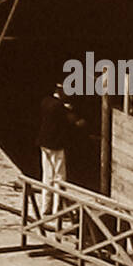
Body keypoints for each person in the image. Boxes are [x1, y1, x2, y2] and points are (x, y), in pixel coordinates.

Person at [37, 86, 79, 217]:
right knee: (60, 178)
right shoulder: (60, 107)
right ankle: (57, 209)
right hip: (56, 146)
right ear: (60, 91)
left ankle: (45, 207)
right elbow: (72, 121)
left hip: (44, 143)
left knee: (47, 176)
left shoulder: (45, 101)